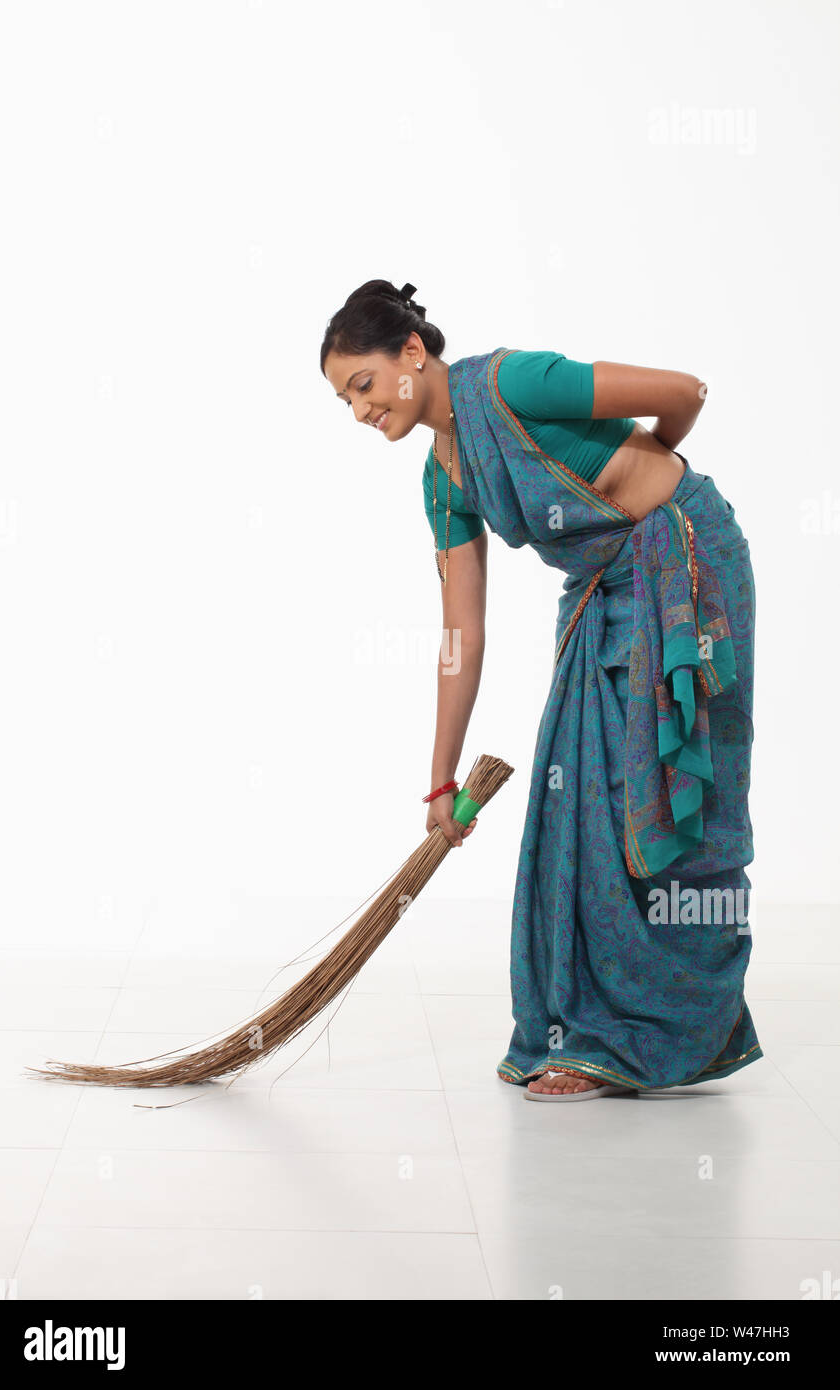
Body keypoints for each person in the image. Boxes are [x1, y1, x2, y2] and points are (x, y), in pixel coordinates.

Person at [320, 278, 761, 1103]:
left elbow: (686, 392)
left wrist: (650, 481)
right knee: (582, 801)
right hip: (600, 593)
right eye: (345, 399)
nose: (358, 410)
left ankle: (684, 1028)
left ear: (412, 352)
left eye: (364, 384)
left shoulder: (513, 384)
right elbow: (462, 635)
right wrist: (441, 781)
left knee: (668, 790)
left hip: (686, 568)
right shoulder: (443, 481)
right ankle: (594, 1033)